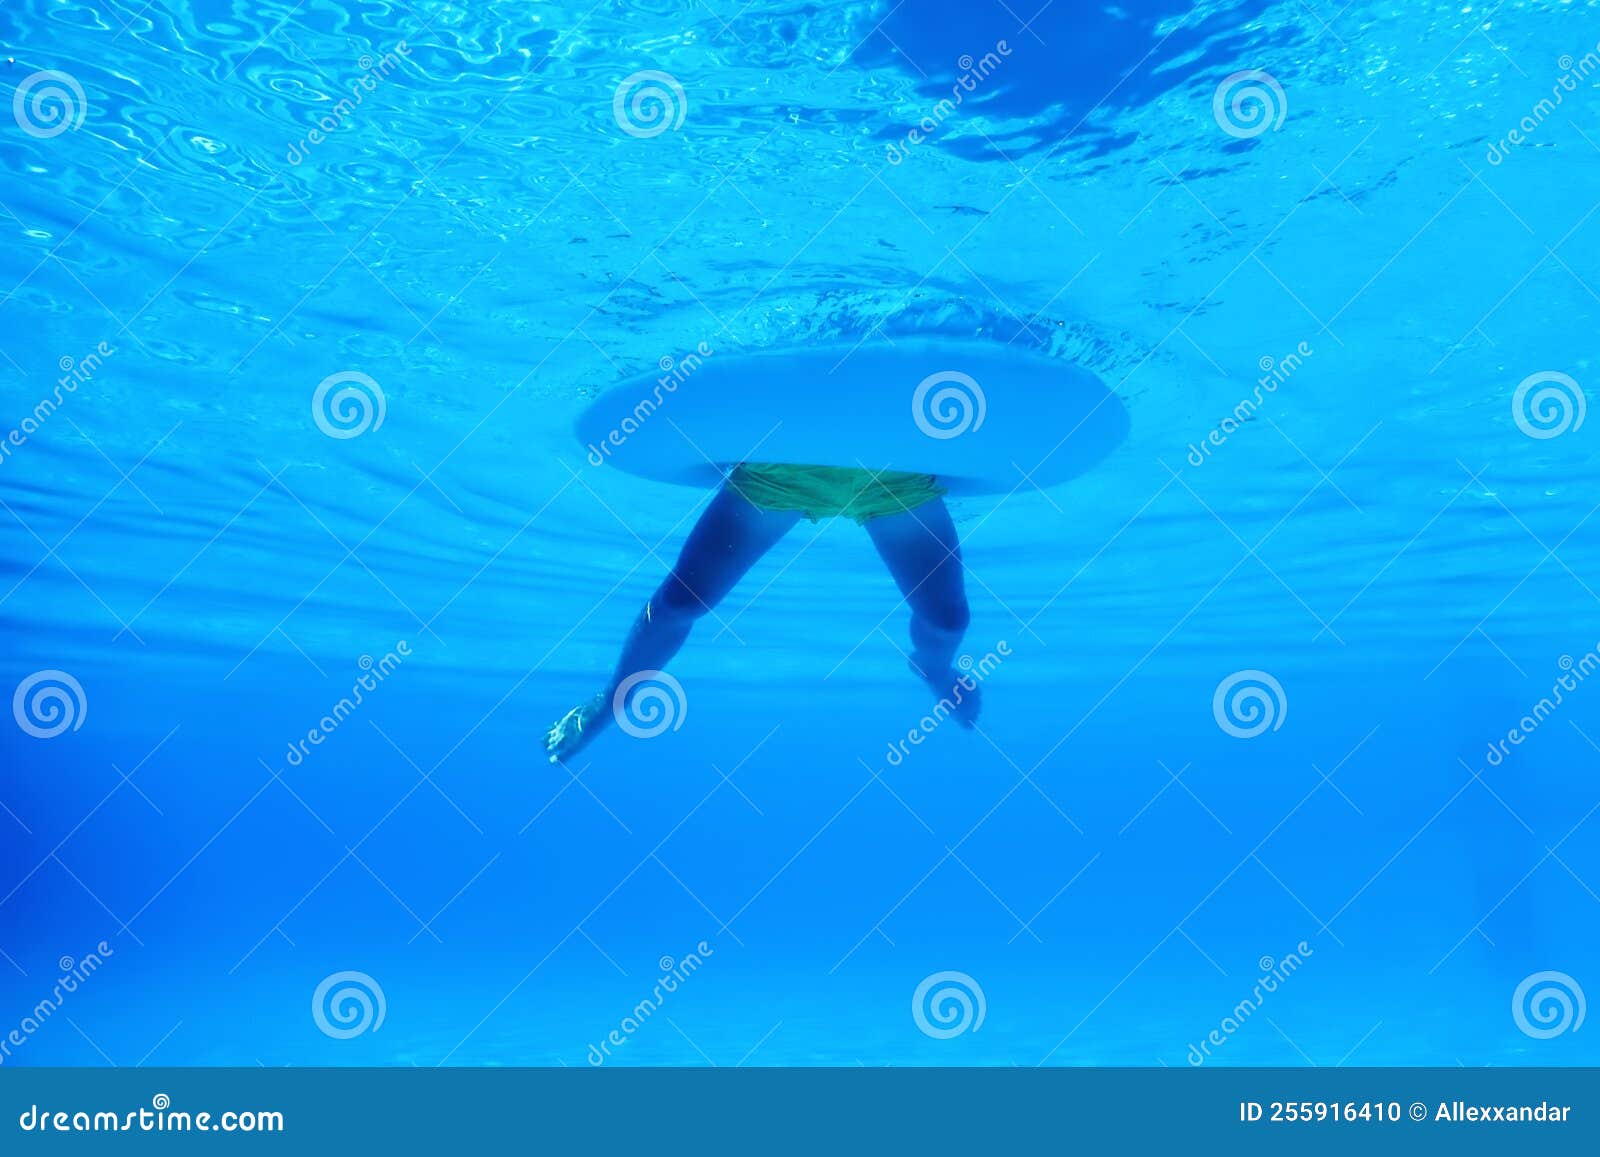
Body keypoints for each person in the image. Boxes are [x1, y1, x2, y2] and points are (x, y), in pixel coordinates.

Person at [545, 462, 976, 763]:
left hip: (894, 481)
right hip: (781, 474)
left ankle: (935, 668)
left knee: (948, 621)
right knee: (682, 601)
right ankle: (616, 698)